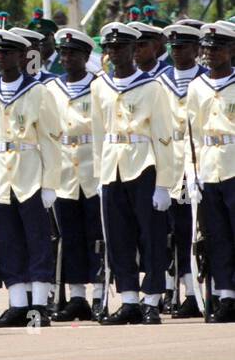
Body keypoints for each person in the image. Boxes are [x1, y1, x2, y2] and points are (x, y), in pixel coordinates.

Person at [93, 22, 177, 325]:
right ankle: (128, 298)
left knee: (151, 236)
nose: (115, 53)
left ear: (134, 49)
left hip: (144, 165)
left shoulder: (152, 86)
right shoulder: (100, 85)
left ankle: (152, 300)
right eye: (110, 48)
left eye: (121, 47)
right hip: (111, 167)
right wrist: (98, 176)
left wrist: (164, 184)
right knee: (118, 237)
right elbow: (97, 133)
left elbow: (164, 138)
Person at [0, 28, 61, 327]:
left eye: (8, 52)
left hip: (30, 173)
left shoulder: (38, 91)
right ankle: (16, 302)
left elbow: (51, 140)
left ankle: (38, 303)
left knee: (37, 240)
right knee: (7, 241)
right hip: (0, 174)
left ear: (22, 56)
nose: (1, 57)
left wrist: (51, 182)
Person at [47, 28, 104, 321]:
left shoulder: (98, 86)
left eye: (73, 53)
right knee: (69, 236)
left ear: (85, 56)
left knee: (95, 234)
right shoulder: (52, 89)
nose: (67, 58)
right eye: (64, 53)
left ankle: (98, 295)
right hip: (65, 171)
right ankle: (77, 295)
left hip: (93, 170)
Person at [187, 21, 235, 322]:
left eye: (217, 48)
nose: (210, 54)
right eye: (206, 49)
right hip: (208, 167)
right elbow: (190, 134)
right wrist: (191, 174)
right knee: (216, 236)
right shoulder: (196, 87)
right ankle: (226, 295)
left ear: (231, 50)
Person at [155, 23, 204, 317]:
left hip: (196, 163)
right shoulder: (160, 81)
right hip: (169, 162)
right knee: (174, 229)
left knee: (194, 229)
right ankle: (178, 288)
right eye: (173, 47)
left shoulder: (206, 79)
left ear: (197, 50)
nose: (177, 53)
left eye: (183, 47)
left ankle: (195, 291)